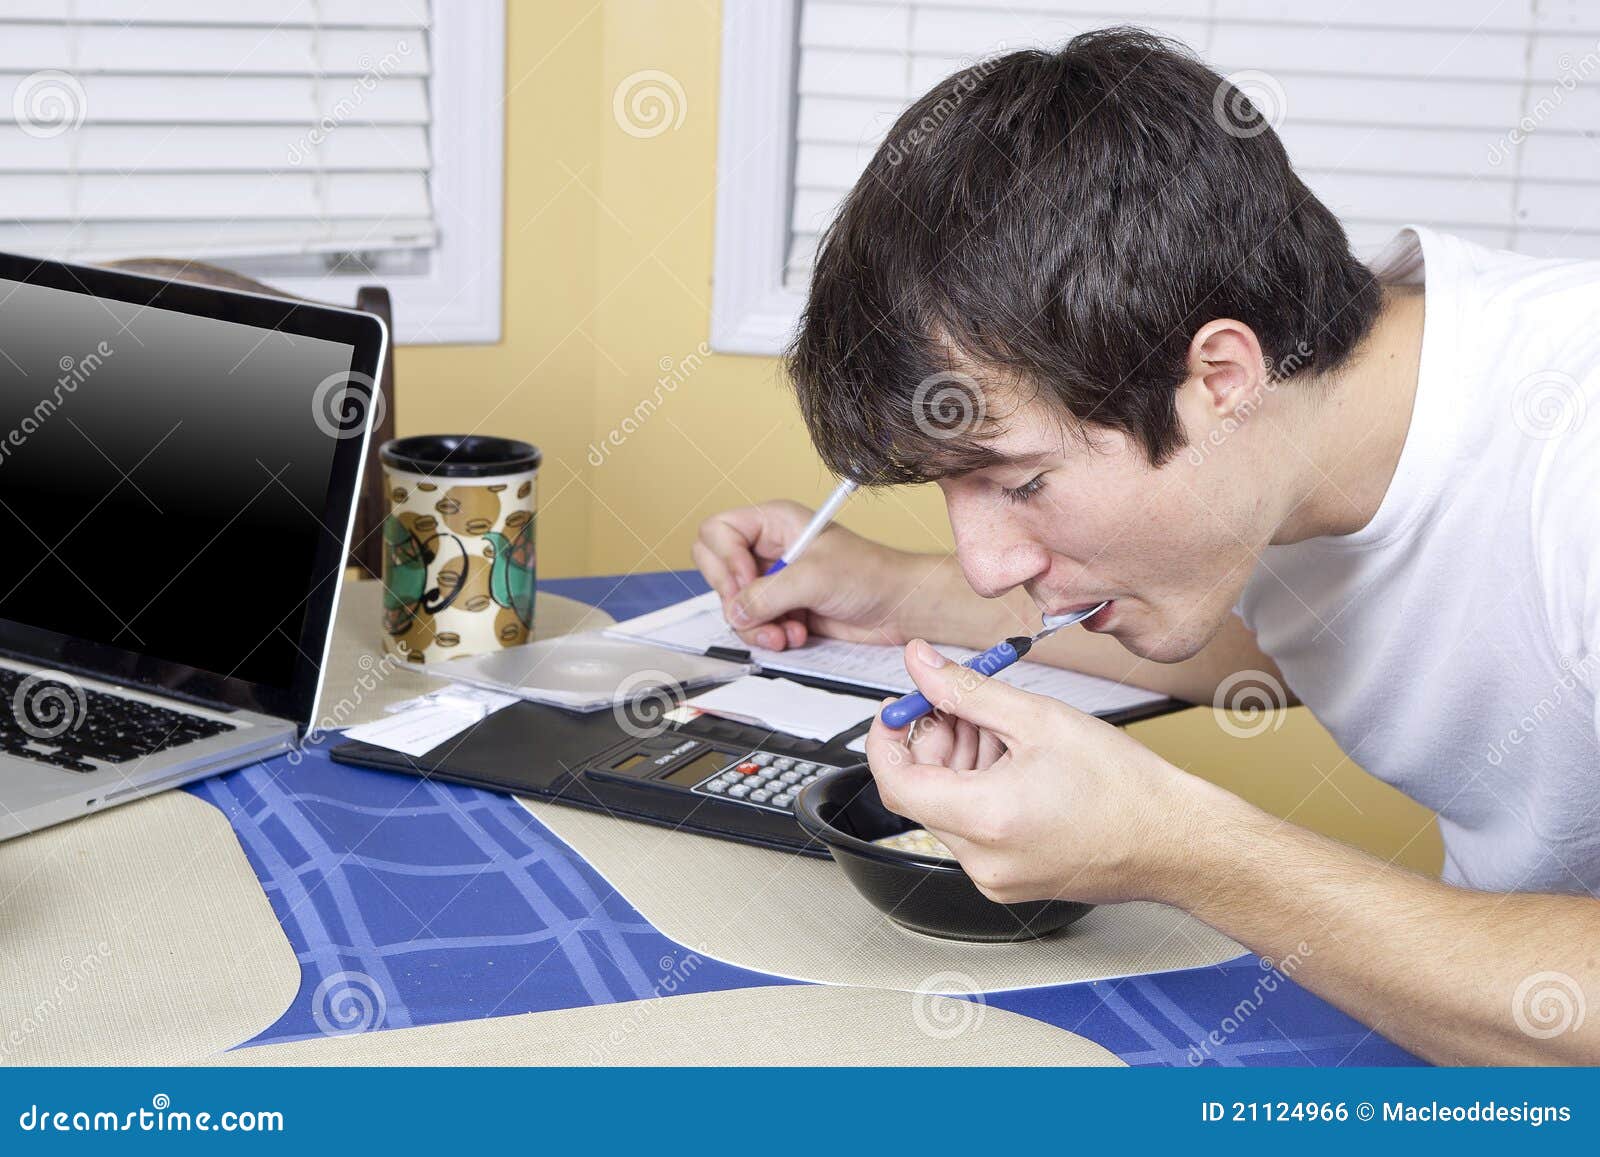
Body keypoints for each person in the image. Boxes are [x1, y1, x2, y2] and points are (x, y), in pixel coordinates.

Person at [692, 28, 1599, 1065]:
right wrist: (892, 590)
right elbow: (1310, 630)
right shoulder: (1297, 434)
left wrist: (1180, 847)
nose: (991, 564)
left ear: (1220, 375)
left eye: (1020, 482)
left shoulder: (1574, 462)